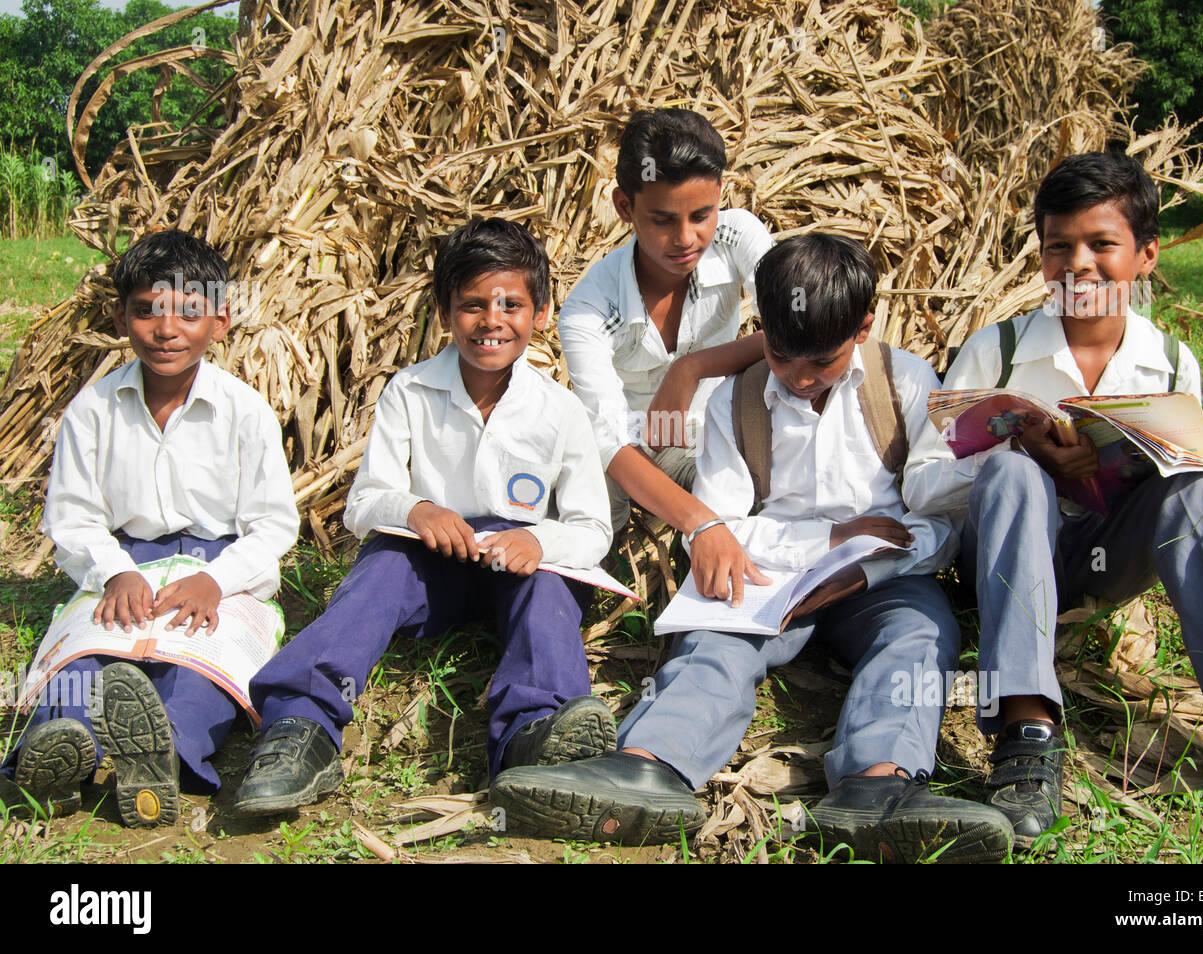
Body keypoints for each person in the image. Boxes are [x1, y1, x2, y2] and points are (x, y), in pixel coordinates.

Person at [491, 234, 1015, 862]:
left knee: (918, 637)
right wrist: (826, 540)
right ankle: (646, 767)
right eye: (780, 352)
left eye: (820, 361)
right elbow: (726, 523)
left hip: (881, 578)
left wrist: (864, 567)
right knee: (712, 644)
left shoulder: (902, 383)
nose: (797, 377)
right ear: (760, 326)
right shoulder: (735, 400)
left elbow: (935, 519)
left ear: (864, 327)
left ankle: (878, 787)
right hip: (769, 573)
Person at [905, 151, 1203, 845]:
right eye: (1059, 246)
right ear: (1041, 257)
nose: (1078, 264)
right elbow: (923, 482)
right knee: (1013, 474)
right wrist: (1024, 455)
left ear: (1146, 255)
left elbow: (1187, 477)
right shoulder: (995, 351)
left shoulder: (1172, 363)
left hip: (1104, 563)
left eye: (1101, 244)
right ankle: (1028, 727)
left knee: (1202, 490)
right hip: (1005, 562)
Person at [233, 217, 615, 815]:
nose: (492, 320)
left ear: (540, 313)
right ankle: (298, 727)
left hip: (516, 568)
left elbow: (593, 529)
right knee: (381, 570)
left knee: (550, 592)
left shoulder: (560, 411)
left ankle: (534, 737)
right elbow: (363, 504)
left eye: (512, 303)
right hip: (430, 566)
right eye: (471, 305)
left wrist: (539, 542)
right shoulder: (409, 393)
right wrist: (416, 508)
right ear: (443, 313)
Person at [0, 229, 299, 826]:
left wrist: (217, 579)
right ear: (120, 317)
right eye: (146, 312)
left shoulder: (245, 411)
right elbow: (73, 516)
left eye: (189, 313)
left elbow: (271, 525)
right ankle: (56, 753)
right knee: (83, 657)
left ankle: (168, 754)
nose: (167, 330)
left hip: (219, 566)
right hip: (122, 561)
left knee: (201, 664)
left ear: (220, 320)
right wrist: (114, 572)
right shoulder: (93, 410)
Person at [558, 107, 778, 607]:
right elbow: (609, 443)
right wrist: (702, 520)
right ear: (623, 207)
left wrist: (692, 367)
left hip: (711, 436)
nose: (685, 238)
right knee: (586, 533)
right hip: (623, 453)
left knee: (766, 506)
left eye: (700, 215)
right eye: (662, 220)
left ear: (719, 198)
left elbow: (800, 332)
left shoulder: (739, 234)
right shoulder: (588, 309)